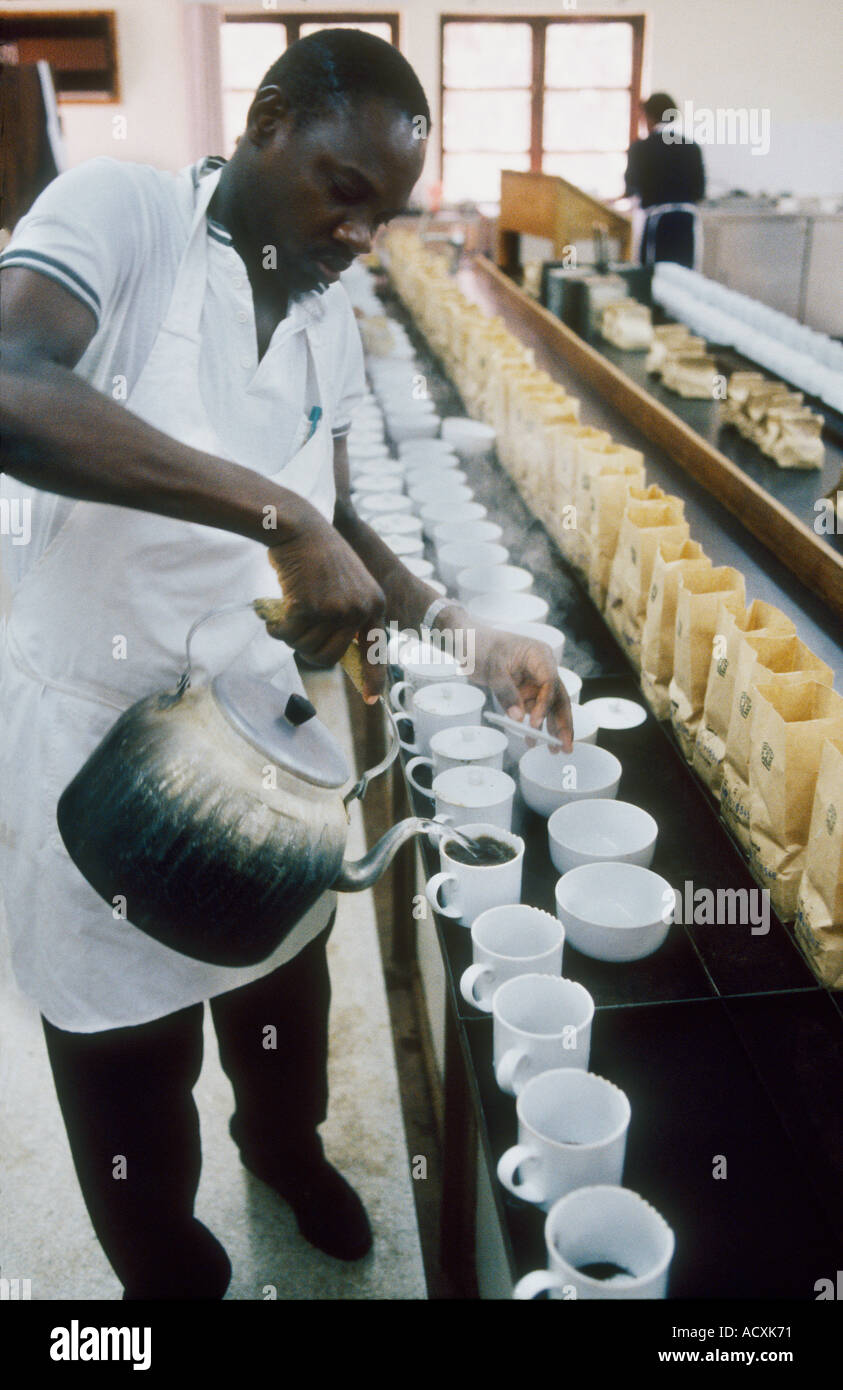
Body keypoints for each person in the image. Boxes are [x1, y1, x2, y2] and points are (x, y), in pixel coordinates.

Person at [0, 29, 572, 1300]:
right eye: (342, 191)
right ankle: (168, 1268)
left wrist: (468, 635)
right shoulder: (129, 217)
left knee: (280, 997)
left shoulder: (326, 312)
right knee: (130, 1062)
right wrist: (277, 519)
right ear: (264, 124)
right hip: (103, 741)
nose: (360, 235)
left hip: (252, 730)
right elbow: (8, 382)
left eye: (389, 215)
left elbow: (344, 517)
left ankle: (285, 1149)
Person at [624, 92, 705, 267]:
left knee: (656, 278)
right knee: (684, 278)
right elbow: (699, 191)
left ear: (649, 117)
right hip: (687, 222)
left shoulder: (641, 149)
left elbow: (631, 188)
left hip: (658, 223)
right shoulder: (692, 147)